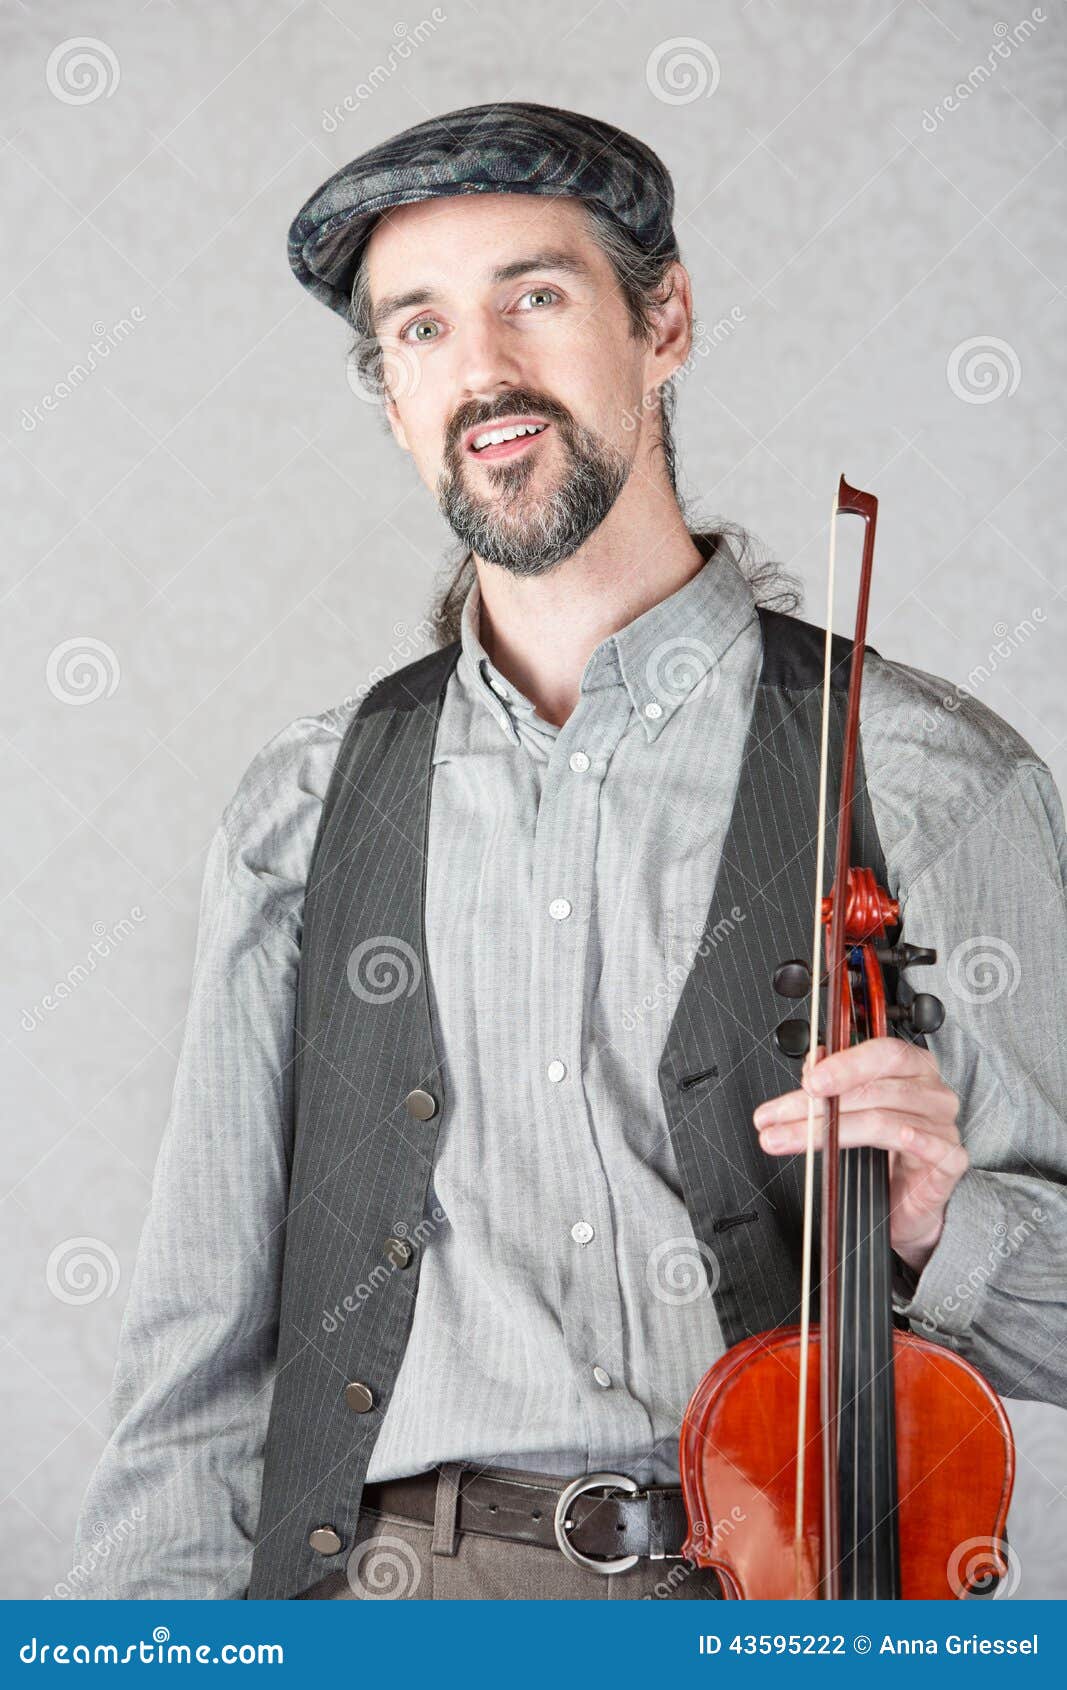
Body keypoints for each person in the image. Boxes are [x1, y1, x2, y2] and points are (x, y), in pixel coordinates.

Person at [70, 101, 1067, 1603]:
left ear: (664, 321)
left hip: (783, 1601)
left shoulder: (930, 778)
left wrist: (944, 1227)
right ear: (394, 400)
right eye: (420, 328)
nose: (481, 371)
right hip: (389, 1612)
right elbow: (194, 1359)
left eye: (533, 296)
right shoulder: (302, 808)